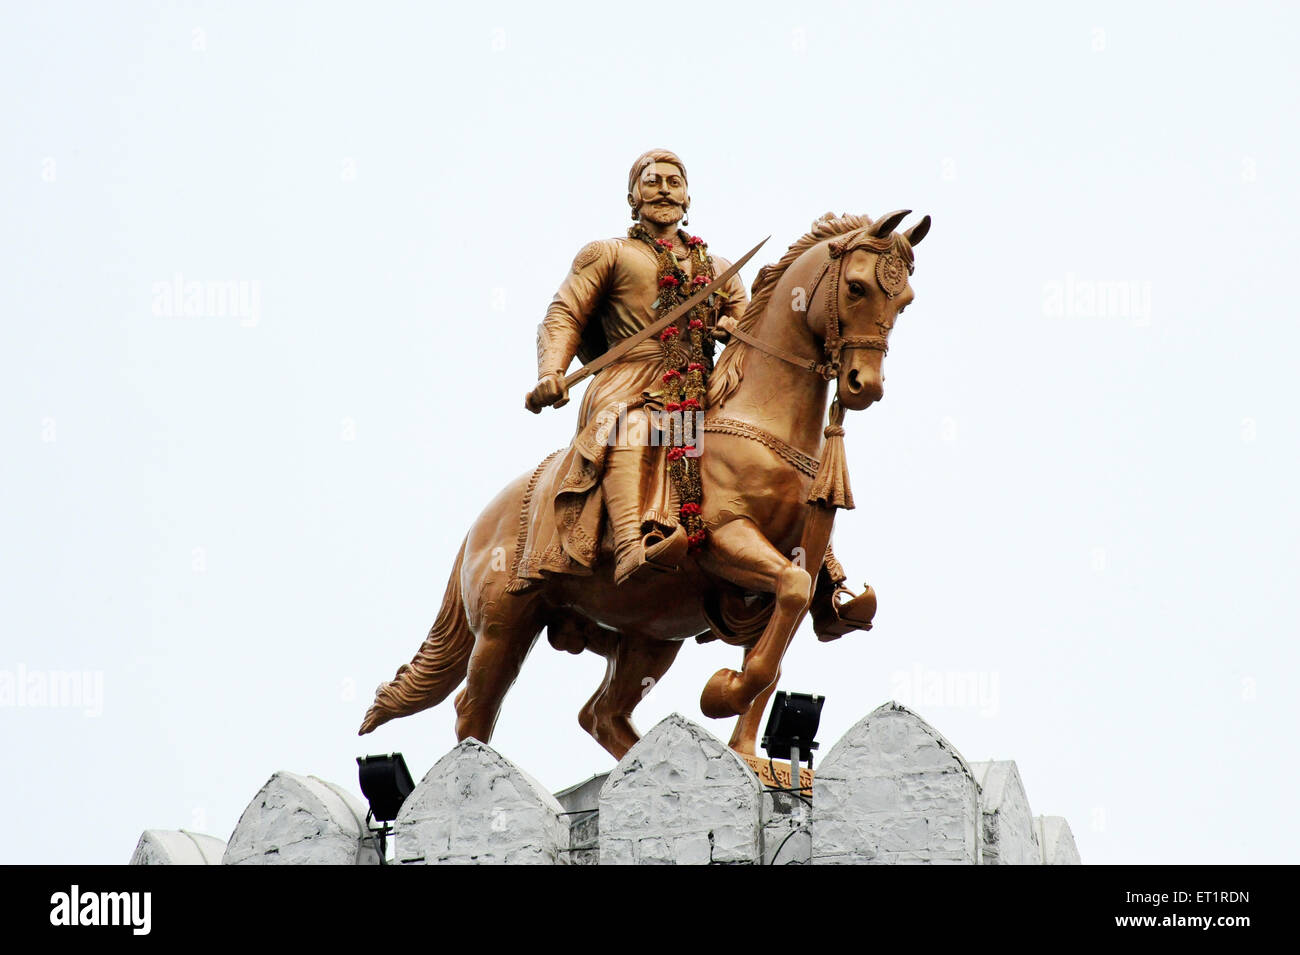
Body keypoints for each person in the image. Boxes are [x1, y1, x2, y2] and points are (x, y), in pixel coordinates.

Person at [528, 149, 747, 585]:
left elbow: (752, 323)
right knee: (634, 427)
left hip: (701, 386)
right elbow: (564, 313)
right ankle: (629, 543)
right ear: (633, 196)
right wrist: (551, 371)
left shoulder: (720, 268)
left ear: (688, 198)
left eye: (673, 182)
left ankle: (817, 571)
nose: (664, 190)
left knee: (758, 441)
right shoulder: (608, 253)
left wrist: (733, 327)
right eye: (652, 181)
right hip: (631, 379)